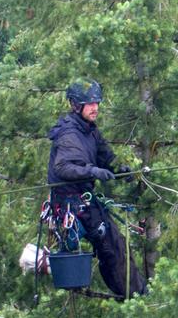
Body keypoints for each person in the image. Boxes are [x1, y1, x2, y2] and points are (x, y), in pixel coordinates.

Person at [46, 80, 147, 298]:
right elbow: (63, 167)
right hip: (72, 204)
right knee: (113, 247)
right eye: (89, 103)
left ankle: (134, 291)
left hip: (84, 200)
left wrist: (120, 170)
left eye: (97, 102)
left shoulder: (89, 130)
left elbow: (106, 157)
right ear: (75, 105)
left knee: (116, 245)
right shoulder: (69, 133)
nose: (95, 107)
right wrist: (93, 171)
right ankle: (135, 295)